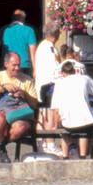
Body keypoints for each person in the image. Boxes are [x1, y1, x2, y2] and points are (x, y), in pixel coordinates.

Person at [0, 51, 39, 164]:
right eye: (14, 65)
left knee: (20, 128)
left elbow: (34, 105)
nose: (17, 68)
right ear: (6, 64)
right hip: (2, 111)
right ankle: (2, 151)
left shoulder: (27, 80)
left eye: (19, 65)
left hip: (19, 114)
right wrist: (3, 87)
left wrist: (24, 94)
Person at [49, 60, 93, 160]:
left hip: (68, 125)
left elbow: (55, 110)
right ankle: (82, 157)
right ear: (75, 71)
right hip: (87, 123)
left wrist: (56, 125)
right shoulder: (86, 79)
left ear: (62, 73)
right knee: (84, 130)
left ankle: (66, 156)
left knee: (63, 130)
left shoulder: (59, 84)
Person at [32, 21, 62, 153]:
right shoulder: (48, 48)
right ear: (56, 33)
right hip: (48, 87)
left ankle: (41, 144)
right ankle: (49, 144)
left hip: (44, 87)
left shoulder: (47, 46)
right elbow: (55, 69)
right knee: (49, 115)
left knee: (43, 115)